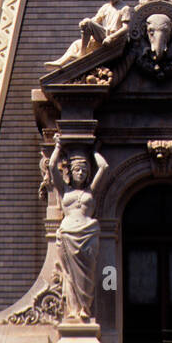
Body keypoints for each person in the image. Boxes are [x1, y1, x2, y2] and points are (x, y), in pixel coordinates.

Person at [48, 136, 108, 320]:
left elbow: (104, 167)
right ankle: (73, 311)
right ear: (70, 172)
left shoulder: (91, 190)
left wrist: (95, 151)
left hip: (88, 233)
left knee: (87, 278)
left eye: (84, 170)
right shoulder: (64, 190)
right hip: (67, 236)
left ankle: (85, 309)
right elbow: (51, 167)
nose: (80, 173)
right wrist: (57, 146)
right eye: (77, 170)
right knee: (69, 277)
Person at [48, 0, 131, 67]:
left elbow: (126, 28)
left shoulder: (125, 8)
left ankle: (82, 53)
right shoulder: (105, 7)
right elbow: (95, 20)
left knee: (88, 22)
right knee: (76, 44)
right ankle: (60, 62)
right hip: (103, 36)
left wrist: (111, 37)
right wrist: (84, 22)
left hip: (112, 38)